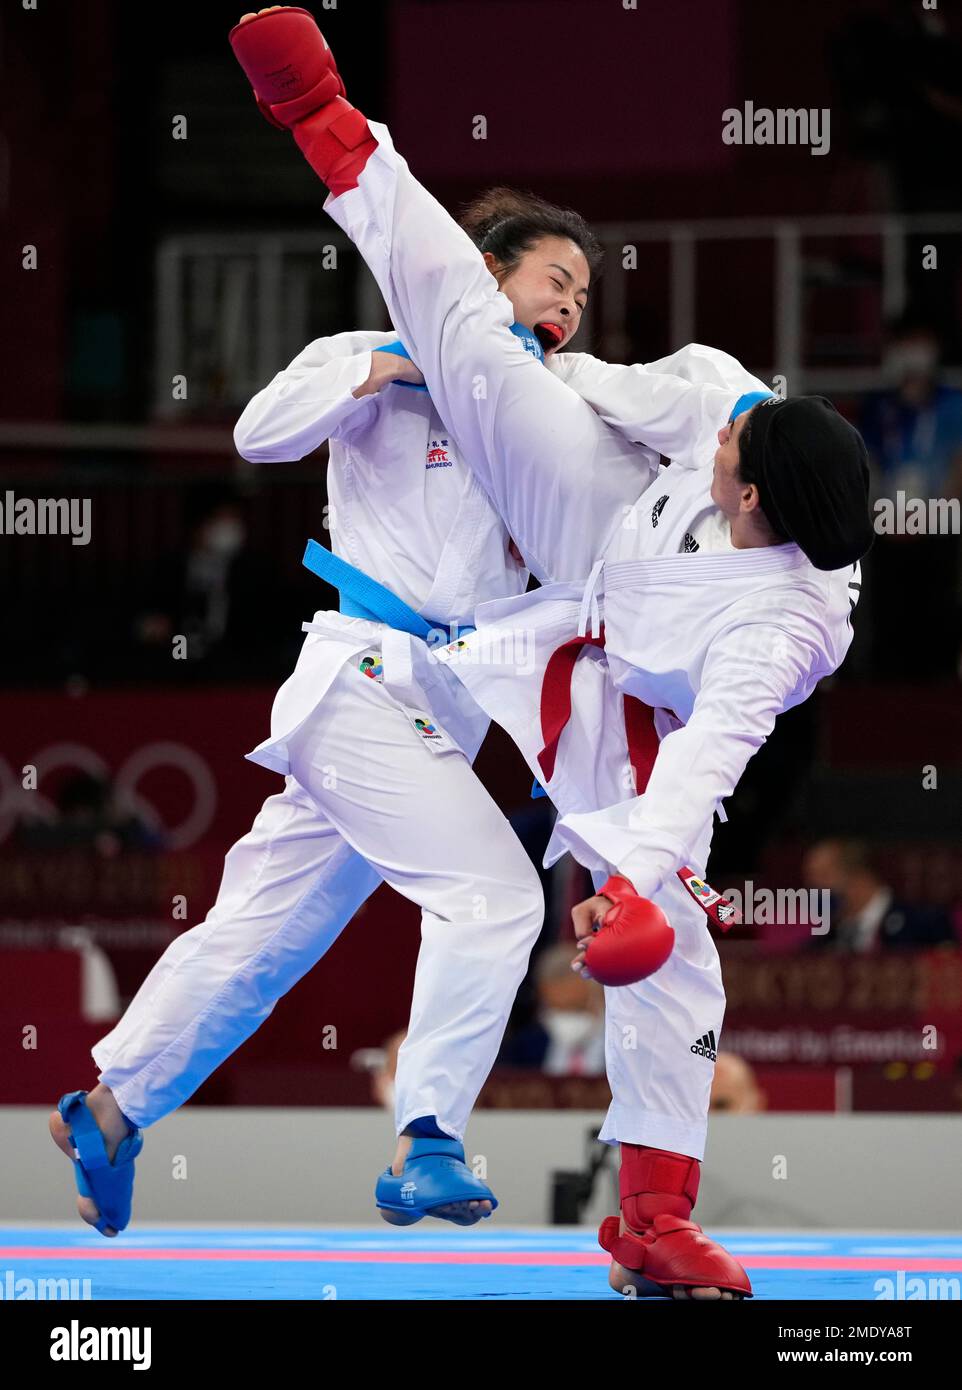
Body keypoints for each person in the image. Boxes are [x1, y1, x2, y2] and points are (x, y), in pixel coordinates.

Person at [228, 6, 875, 1299]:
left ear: (747, 506)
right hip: (582, 516)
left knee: (674, 939)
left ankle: (648, 1215)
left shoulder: (786, 625)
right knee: (470, 338)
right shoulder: (716, 395)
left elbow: (708, 757)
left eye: (732, 456)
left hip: (623, 679)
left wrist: (636, 883)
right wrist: (490, 380)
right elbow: (589, 392)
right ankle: (332, 127)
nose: (725, 434)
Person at [48, 13, 667, 1240]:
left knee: (260, 939)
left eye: (584, 299)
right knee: (491, 900)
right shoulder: (373, 356)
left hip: (443, 708)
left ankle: (110, 1109)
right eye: (554, 281)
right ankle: (425, 1137)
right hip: (360, 677)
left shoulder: (553, 428)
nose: (569, 310)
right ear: (483, 272)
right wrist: (387, 367)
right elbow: (254, 435)